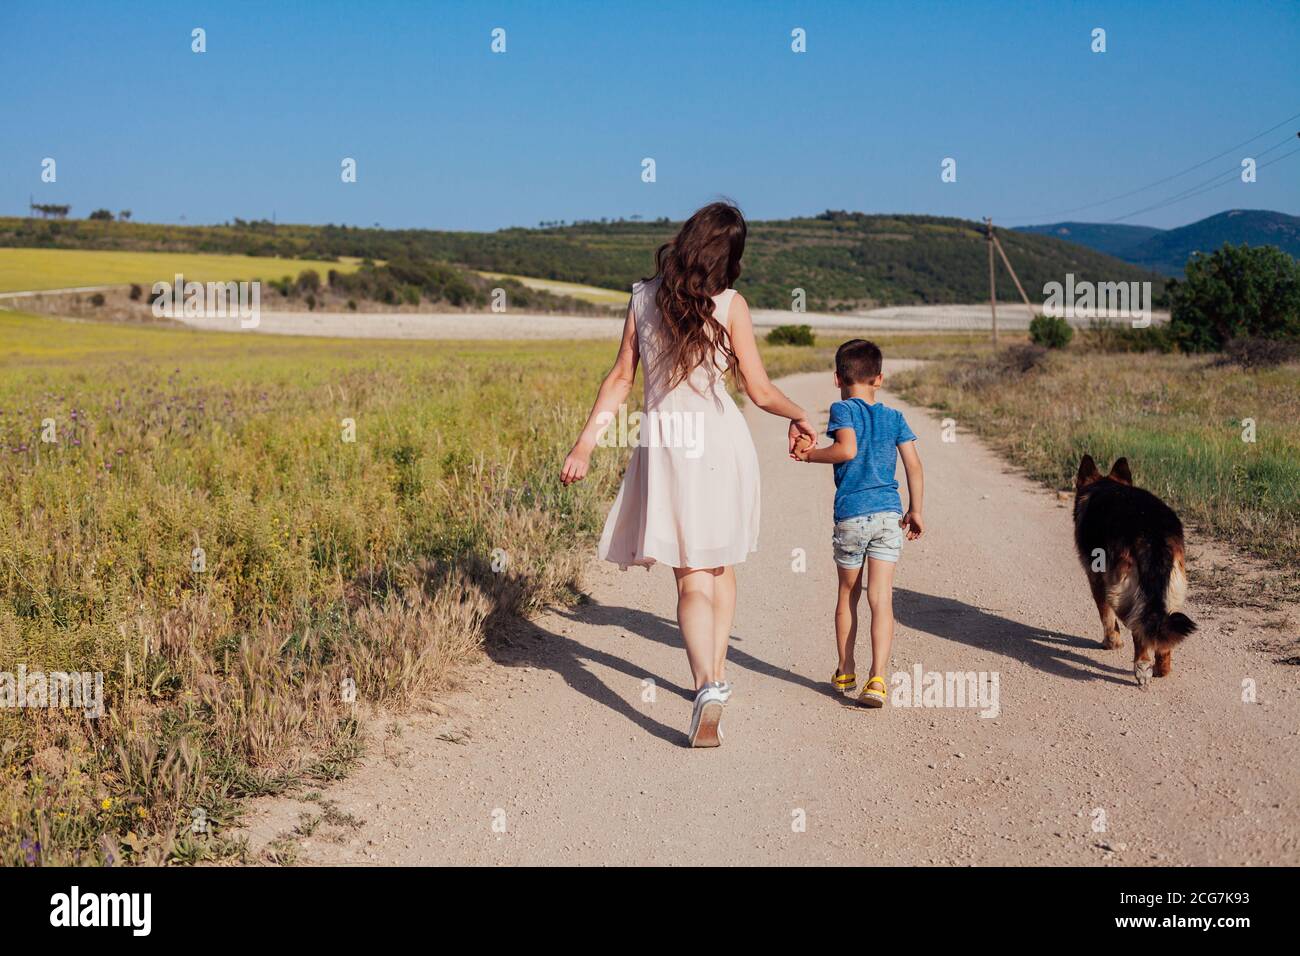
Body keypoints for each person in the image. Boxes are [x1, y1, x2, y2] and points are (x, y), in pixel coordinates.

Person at [561, 201, 817, 746]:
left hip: (669, 445)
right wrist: (799, 414)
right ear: (731, 256)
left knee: (691, 573)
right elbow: (761, 391)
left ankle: (708, 681)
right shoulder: (730, 304)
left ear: (687, 239)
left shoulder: (641, 297)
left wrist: (585, 444)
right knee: (719, 565)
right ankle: (712, 680)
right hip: (723, 444)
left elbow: (619, 381)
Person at [791, 339, 924, 707]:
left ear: (837, 378)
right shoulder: (895, 417)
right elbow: (914, 465)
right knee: (881, 599)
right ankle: (877, 679)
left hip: (852, 515)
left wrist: (811, 455)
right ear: (879, 379)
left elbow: (846, 449)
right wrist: (915, 509)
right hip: (887, 515)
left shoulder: (841, 409)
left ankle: (845, 667)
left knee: (848, 594)